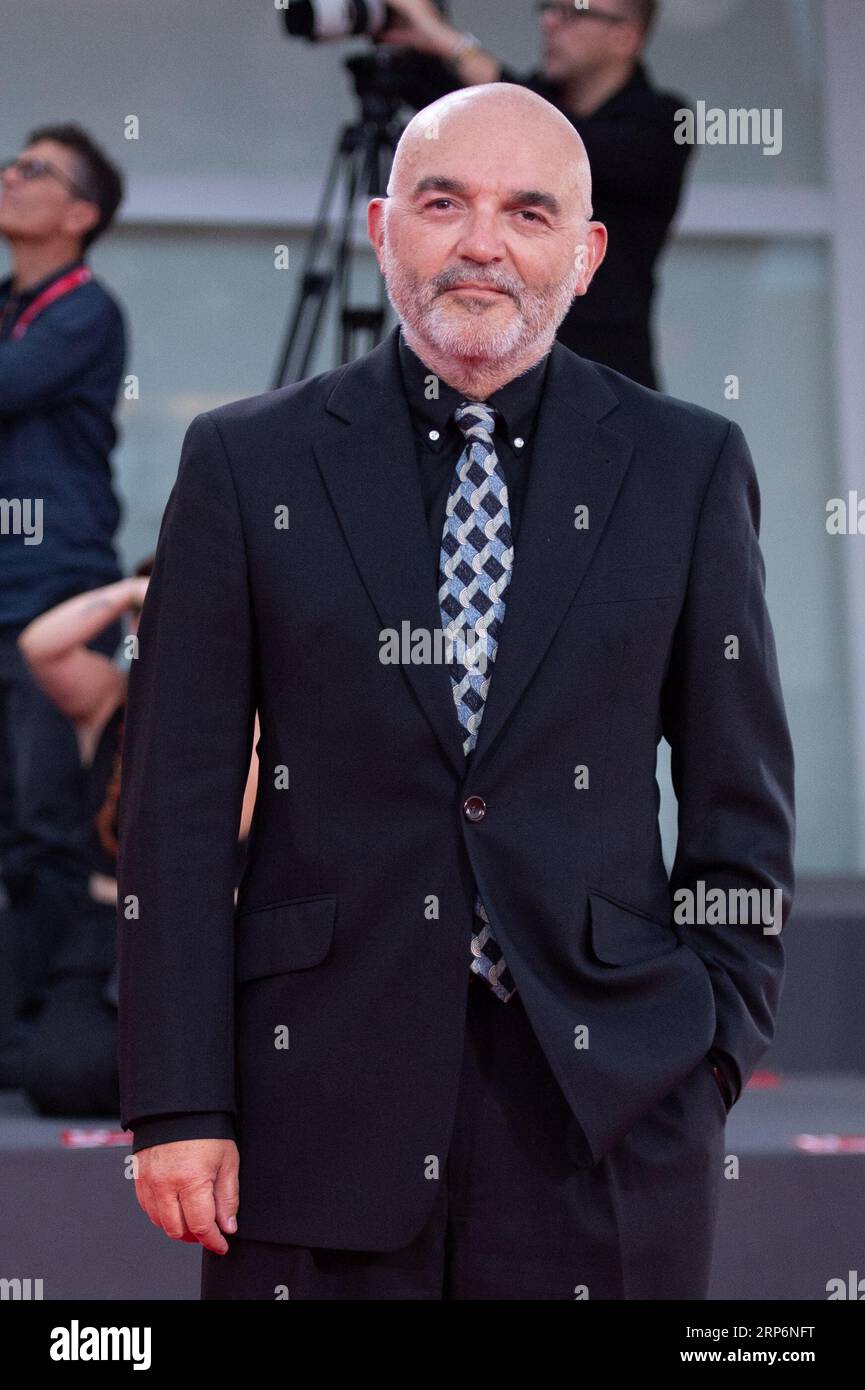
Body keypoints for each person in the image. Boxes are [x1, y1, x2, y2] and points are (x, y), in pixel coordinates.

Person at [118, 83, 794, 1300]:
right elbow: (173, 803)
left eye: (528, 212)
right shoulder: (243, 459)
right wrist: (176, 1097)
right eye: (445, 202)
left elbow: (739, 799)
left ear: (583, 257)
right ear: (385, 229)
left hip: (606, 1108)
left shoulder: (689, 466)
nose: (484, 242)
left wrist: (712, 1050)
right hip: (307, 1101)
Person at [11, 563, 259, 1114]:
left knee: (259, 1072)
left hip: (217, 933)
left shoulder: (258, 710)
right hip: (110, 931)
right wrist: (130, 591)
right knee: (63, 1074)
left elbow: (234, 826)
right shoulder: (108, 700)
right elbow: (40, 644)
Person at [375, 0, 692, 389]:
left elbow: (561, 139)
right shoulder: (534, 94)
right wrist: (413, 37)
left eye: (574, 13)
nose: (550, 23)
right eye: (548, 9)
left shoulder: (663, 121)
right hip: (491, 367)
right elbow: (454, 106)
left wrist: (452, 43)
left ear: (624, 37)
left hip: (605, 367)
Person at [0, 124, 127, 1078]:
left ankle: (49, 1024)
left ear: (81, 215)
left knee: (47, 815)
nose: (11, 177)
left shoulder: (84, 310)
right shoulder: (11, 302)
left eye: (35, 171)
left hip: (51, 586)